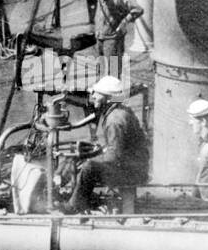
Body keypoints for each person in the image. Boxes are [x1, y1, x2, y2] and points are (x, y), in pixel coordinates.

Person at [64, 76, 149, 213]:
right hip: (134, 167)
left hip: (131, 172)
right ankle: (79, 199)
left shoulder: (115, 120)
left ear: (108, 98)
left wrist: (92, 159)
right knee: (85, 160)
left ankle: (73, 206)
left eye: (97, 93)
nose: (93, 96)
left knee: (88, 168)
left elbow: (113, 157)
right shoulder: (119, 111)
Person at [59, 0, 144, 61]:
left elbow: (138, 9)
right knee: (101, 66)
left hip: (113, 39)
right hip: (100, 37)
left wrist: (124, 23)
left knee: (113, 68)